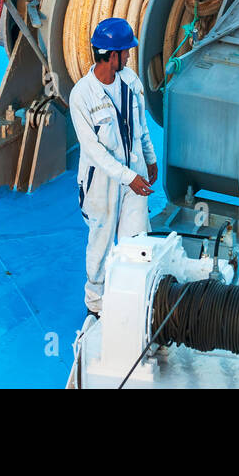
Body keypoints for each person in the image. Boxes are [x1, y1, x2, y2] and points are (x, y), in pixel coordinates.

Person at [70, 17, 158, 318]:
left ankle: (136, 301)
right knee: (101, 244)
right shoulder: (81, 96)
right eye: (126, 51)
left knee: (137, 243)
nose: (130, 56)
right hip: (101, 184)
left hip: (134, 178)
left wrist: (150, 158)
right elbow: (93, 151)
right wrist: (128, 176)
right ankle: (95, 304)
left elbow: (141, 127)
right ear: (112, 55)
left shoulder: (132, 83)